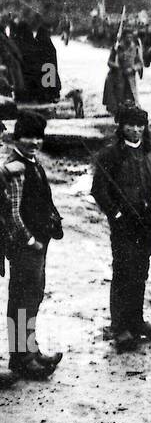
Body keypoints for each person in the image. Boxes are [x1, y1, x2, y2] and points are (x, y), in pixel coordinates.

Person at [92, 105, 151, 353]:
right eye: (130, 125)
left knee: (141, 269)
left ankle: (136, 321)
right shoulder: (110, 154)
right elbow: (99, 190)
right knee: (124, 271)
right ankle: (121, 328)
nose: (135, 130)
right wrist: (116, 214)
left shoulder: (149, 150)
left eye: (140, 125)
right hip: (124, 223)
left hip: (147, 221)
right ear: (120, 126)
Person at [3, 111, 64, 381]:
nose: (34, 142)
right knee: (21, 301)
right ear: (17, 137)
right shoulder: (16, 168)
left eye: (38, 137)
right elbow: (13, 214)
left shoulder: (33, 163)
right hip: (26, 246)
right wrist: (31, 240)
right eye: (28, 137)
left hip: (39, 245)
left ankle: (30, 349)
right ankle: (21, 357)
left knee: (33, 297)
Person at [102, 31, 139, 116]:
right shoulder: (117, 48)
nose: (129, 39)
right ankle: (115, 109)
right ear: (123, 38)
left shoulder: (135, 48)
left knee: (131, 103)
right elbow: (109, 62)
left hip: (129, 77)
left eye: (131, 37)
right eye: (127, 37)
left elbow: (140, 63)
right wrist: (116, 66)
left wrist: (133, 69)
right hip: (117, 76)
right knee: (116, 99)